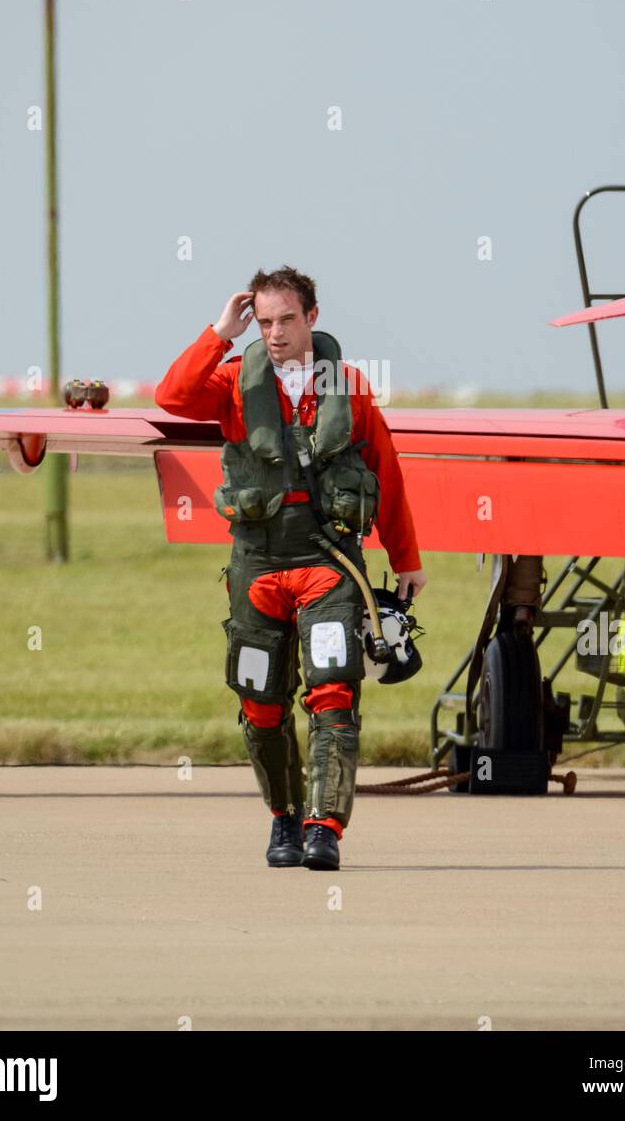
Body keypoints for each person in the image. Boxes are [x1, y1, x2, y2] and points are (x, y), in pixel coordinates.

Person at [154, 266, 426, 870]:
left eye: (286, 320)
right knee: (260, 701)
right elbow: (171, 396)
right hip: (257, 568)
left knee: (334, 692)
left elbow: (387, 471)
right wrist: (221, 331)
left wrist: (405, 558)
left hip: (328, 566)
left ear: (311, 319)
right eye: (265, 321)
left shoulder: (347, 388)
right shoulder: (231, 383)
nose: (274, 333)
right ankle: (283, 820)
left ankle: (324, 826)